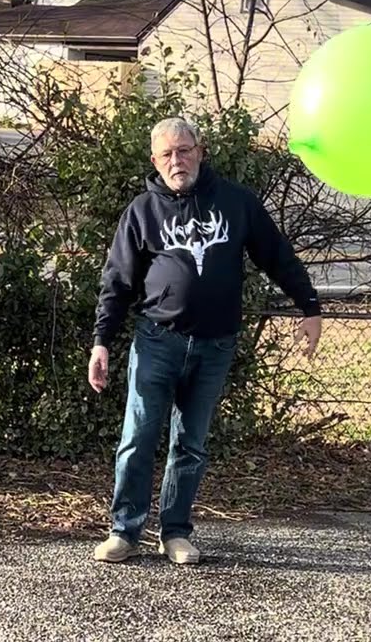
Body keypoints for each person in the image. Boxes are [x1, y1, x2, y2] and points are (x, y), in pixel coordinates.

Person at [87, 115, 323, 565]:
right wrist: (101, 342)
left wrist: (309, 306)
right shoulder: (142, 211)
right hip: (157, 342)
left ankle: (175, 533)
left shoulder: (236, 203)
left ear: (200, 151)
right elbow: (117, 282)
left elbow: (277, 256)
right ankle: (124, 531)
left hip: (215, 345)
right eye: (167, 154)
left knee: (191, 444)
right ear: (155, 161)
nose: (177, 160)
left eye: (184, 150)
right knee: (137, 438)